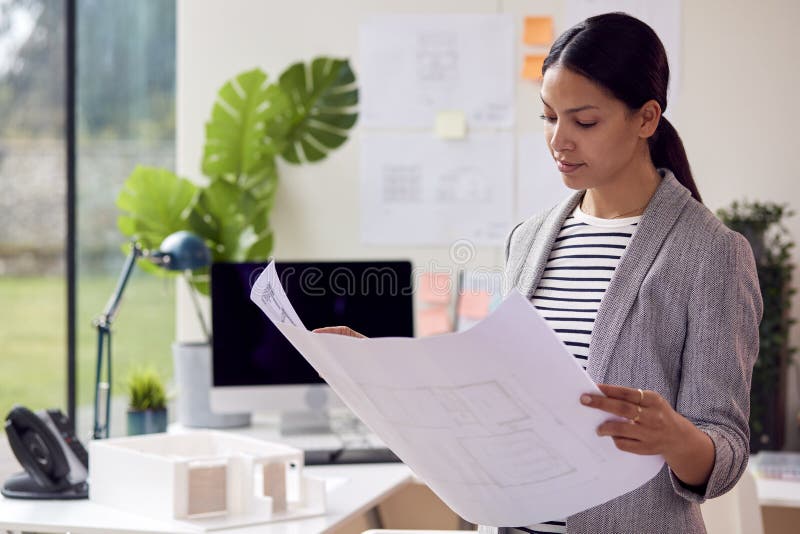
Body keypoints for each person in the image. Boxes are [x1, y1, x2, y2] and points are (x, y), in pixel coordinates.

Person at [317, 12, 762, 534]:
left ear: (646, 118)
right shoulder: (526, 240)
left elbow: (725, 451)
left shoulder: (711, 254)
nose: (559, 140)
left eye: (584, 121)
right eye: (549, 117)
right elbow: (499, 392)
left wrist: (675, 437)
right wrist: (378, 371)